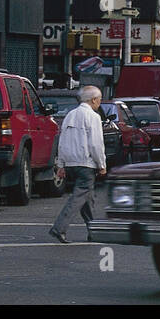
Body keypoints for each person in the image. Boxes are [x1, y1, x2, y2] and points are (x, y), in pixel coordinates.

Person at [48, 86, 107, 244]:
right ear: (93, 100)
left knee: (87, 198)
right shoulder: (93, 117)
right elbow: (96, 144)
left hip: (70, 163)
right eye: (99, 100)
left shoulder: (70, 115)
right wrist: (101, 164)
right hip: (86, 163)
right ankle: (59, 228)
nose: (99, 103)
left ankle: (94, 231)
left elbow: (62, 141)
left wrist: (61, 164)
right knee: (78, 197)